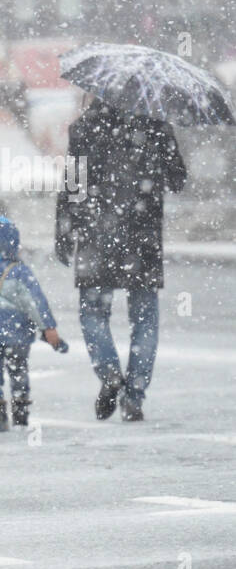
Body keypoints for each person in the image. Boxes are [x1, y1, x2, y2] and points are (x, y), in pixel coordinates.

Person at [57, 98, 186, 421]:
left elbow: (73, 186)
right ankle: (135, 396)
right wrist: (162, 147)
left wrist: (63, 230)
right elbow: (177, 179)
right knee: (144, 319)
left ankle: (110, 372)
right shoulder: (155, 126)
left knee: (93, 312)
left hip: (95, 236)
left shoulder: (84, 128)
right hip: (141, 239)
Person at [0, 216, 67, 432]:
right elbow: (35, 302)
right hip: (18, 333)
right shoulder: (20, 272)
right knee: (18, 369)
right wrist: (47, 326)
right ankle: (20, 408)